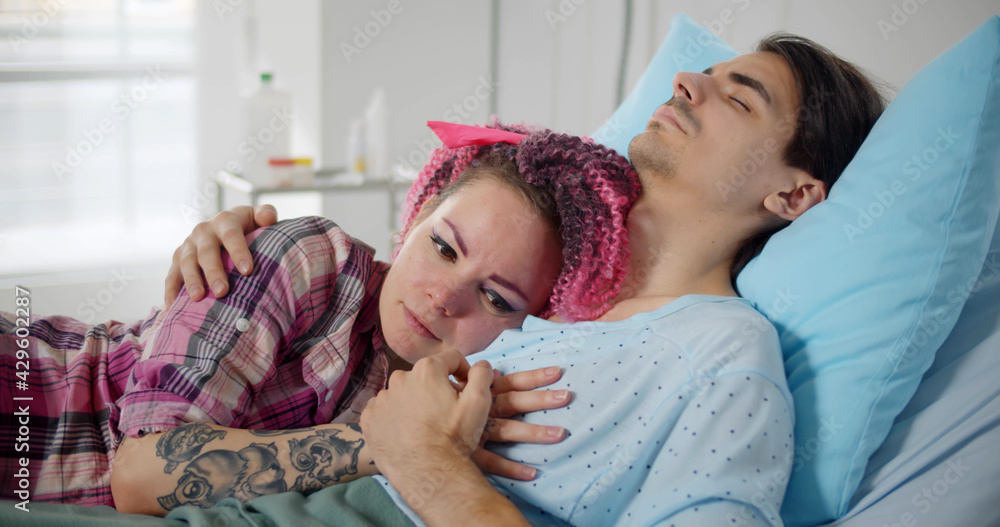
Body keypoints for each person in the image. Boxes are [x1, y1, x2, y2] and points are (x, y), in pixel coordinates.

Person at [180, 34, 886, 526]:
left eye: (741, 99)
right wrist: (244, 261)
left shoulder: (724, 359)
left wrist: (428, 465)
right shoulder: (557, 289)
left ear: (793, 196)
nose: (687, 81)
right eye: (707, 71)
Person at [0, 122, 640, 516]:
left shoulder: (466, 401)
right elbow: (142, 475)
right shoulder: (308, 259)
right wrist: (404, 447)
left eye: (497, 298)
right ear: (411, 222)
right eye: (443, 248)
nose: (446, 298)